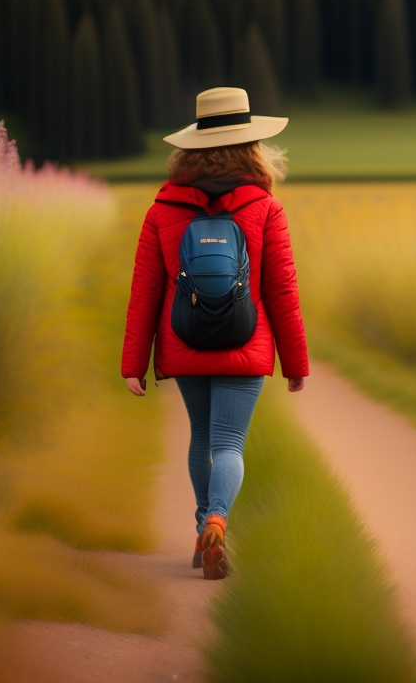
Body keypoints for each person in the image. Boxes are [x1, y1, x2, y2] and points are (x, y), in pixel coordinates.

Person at [121, 86, 309, 580]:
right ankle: (219, 522)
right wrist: (296, 364)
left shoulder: (161, 209)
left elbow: (144, 291)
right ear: (254, 146)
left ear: (189, 148)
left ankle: (203, 524)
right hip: (245, 344)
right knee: (229, 442)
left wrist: (133, 364)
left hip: (184, 344)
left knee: (200, 436)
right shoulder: (266, 209)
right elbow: (283, 291)